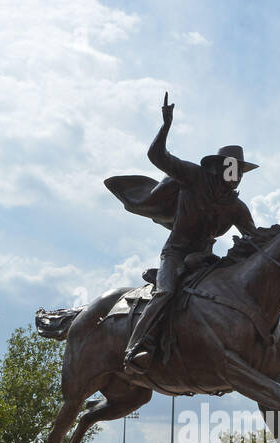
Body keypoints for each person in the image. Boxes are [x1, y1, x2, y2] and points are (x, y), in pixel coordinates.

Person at [106, 93, 260, 373]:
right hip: (175, 253)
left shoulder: (236, 207)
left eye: (240, 171)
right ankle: (137, 348)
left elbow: (255, 238)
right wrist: (165, 126)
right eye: (232, 169)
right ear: (219, 168)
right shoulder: (193, 177)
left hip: (206, 260)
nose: (236, 176)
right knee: (165, 292)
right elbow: (157, 156)